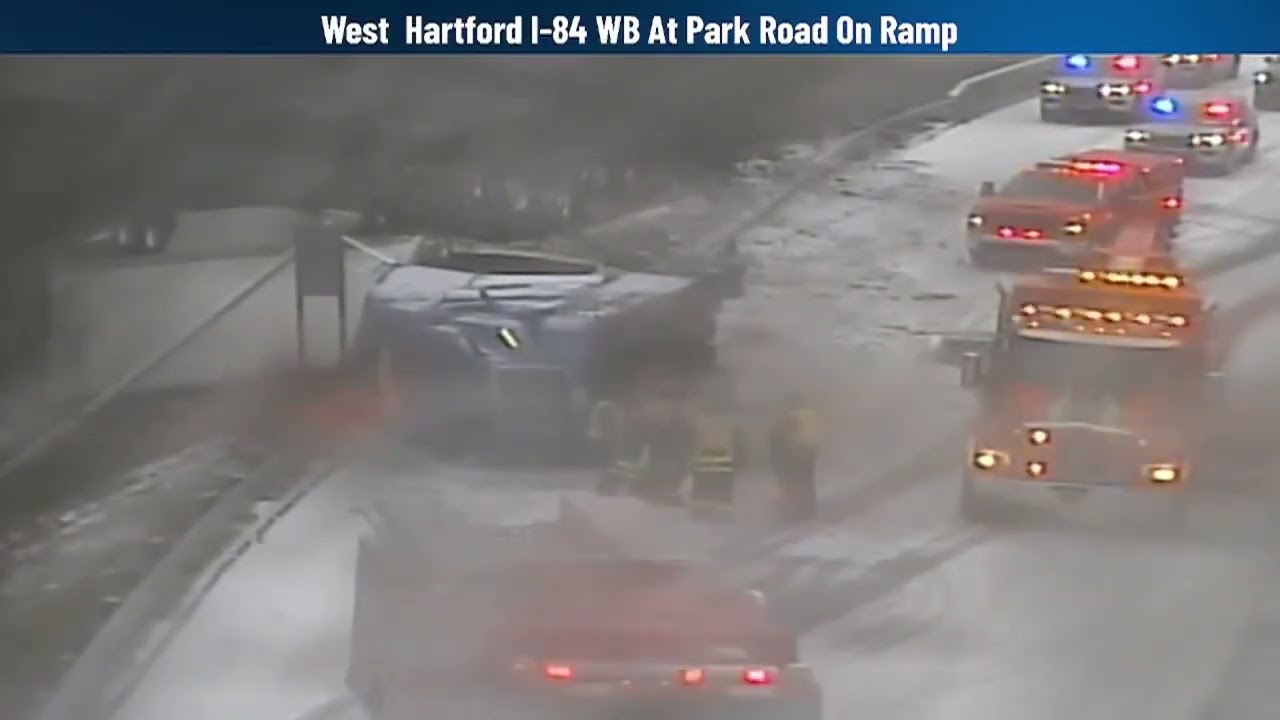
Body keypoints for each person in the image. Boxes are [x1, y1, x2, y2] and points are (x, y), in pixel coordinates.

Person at [632, 378, 696, 506]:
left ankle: (659, 491)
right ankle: (665, 491)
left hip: (665, 481)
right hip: (659, 481)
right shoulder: (684, 413)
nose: (674, 405)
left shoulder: (650, 411)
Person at [689, 383, 748, 518]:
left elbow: (692, 443)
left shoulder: (700, 422)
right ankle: (721, 515)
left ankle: (701, 513)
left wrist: (690, 463)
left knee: (703, 492)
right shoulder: (732, 424)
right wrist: (740, 463)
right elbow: (740, 445)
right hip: (725, 462)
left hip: (703, 462)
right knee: (721, 493)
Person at [769, 393, 823, 522]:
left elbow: (786, 437)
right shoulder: (811, 415)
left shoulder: (790, 417)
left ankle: (797, 511)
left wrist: (782, 455)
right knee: (807, 480)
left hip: (797, 452)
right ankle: (809, 508)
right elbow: (818, 433)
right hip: (812, 452)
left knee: (796, 481)